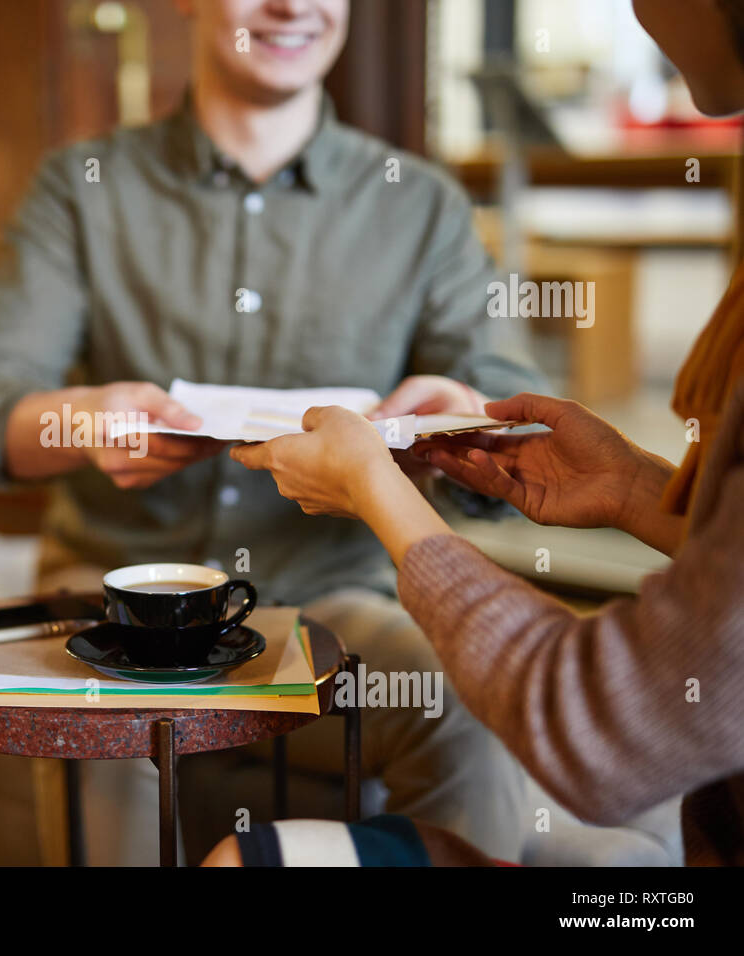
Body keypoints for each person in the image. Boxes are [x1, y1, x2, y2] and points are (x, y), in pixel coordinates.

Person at [0, 0, 542, 864]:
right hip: (118, 601)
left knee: (474, 707)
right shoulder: (80, 185)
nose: (293, 5)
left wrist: (458, 417)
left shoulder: (422, 208)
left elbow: (515, 419)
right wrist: (81, 423)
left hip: (333, 602)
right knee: (101, 738)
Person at [205, 0, 744, 867]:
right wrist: (639, 492)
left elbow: (603, 731)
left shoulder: (416, 198)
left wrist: (377, 490)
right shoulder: (79, 183)